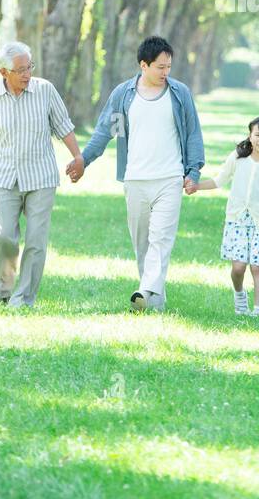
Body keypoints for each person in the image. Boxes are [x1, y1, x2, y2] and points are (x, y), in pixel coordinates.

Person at [67, 35, 204, 312]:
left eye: (169, 67)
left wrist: (194, 171)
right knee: (143, 244)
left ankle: (144, 290)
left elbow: (192, 133)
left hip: (169, 178)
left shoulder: (179, 94)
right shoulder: (123, 96)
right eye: (160, 67)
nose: (166, 72)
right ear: (144, 65)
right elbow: (107, 131)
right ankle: (154, 302)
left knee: (161, 240)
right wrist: (84, 160)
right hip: (135, 179)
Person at [0, 41, 81, 310]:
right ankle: (3, 291)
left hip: (40, 177)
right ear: (4, 72)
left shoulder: (45, 91)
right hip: (4, 177)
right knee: (2, 236)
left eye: (29, 67)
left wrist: (78, 156)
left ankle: (24, 299)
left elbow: (63, 126)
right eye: (20, 70)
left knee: (36, 241)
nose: (26, 74)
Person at [198, 116, 259, 317]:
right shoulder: (238, 158)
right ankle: (239, 295)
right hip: (237, 220)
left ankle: (257, 311)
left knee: (257, 267)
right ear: (250, 135)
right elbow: (219, 180)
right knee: (238, 267)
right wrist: (196, 187)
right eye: (258, 134)